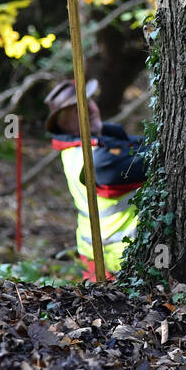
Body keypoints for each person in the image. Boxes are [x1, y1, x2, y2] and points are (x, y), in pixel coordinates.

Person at [44, 79, 147, 282]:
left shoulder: (103, 141)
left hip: (107, 254)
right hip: (115, 261)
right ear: (62, 123)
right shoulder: (93, 160)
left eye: (89, 100)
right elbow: (156, 159)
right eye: (76, 109)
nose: (89, 108)